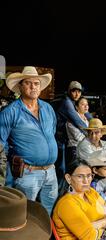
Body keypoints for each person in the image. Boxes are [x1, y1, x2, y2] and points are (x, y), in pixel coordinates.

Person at [0, 66, 58, 215]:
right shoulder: (10, 112)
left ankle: (47, 239)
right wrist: (6, 177)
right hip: (27, 173)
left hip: (50, 171)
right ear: (20, 86)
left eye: (36, 83)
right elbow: (1, 145)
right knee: (25, 214)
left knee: (48, 213)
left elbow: (52, 133)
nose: (33, 86)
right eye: (28, 83)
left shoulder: (48, 108)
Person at [55, 81, 91, 187]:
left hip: (66, 138)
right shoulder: (67, 102)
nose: (77, 94)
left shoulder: (74, 102)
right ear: (69, 91)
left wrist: (97, 127)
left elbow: (88, 116)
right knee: (62, 168)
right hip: (59, 137)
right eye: (74, 91)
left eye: (79, 92)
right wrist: (91, 134)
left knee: (66, 167)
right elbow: (78, 122)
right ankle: (60, 191)